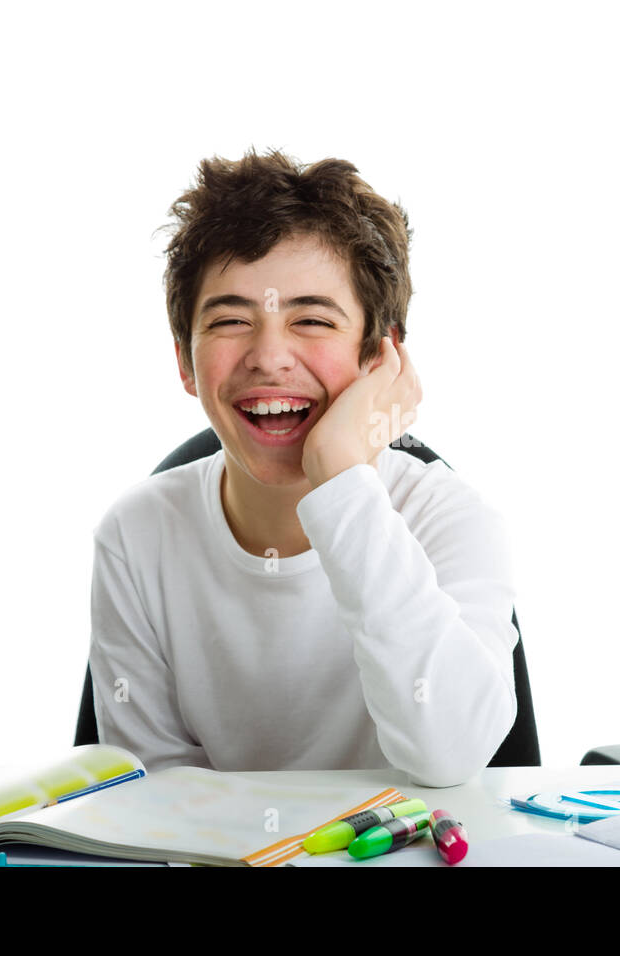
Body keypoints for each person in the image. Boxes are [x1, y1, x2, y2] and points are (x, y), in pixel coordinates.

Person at [87, 149, 517, 788]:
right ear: (185, 361)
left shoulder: (450, 518)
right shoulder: (136, 535)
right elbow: (151, 800)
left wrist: (343, 477)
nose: (269, 356)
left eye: (311, 319)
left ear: (379, 358)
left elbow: (450, 754)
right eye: (231, 320)